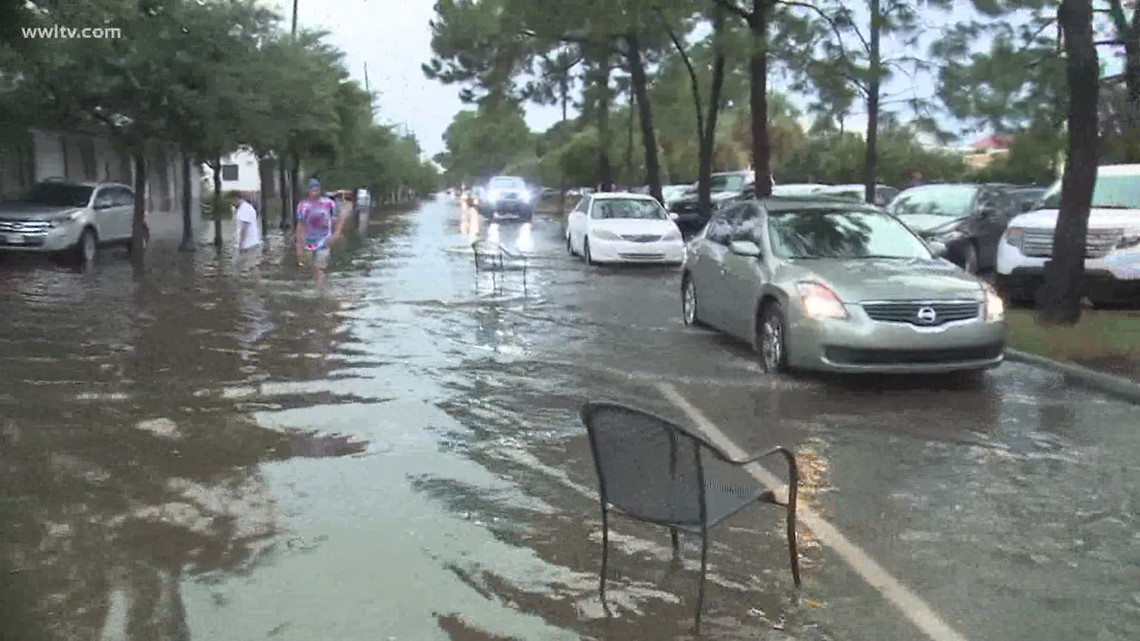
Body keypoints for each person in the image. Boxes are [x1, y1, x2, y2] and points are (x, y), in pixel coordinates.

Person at [295, 178, 345, 289]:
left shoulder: (329, 203)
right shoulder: (303, 206)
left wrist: (336, 234)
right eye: (313, 190)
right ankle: (320, 287)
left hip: (324, 241)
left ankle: (318, 292)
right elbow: (300, 225)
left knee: (320, 268)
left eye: (317, 190)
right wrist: (299, 246)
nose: (315, 193)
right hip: (309, 242)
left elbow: (341, 218)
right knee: (313, 268)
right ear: (308, 191)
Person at [233, 190, 262, 278]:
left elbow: (244, 228)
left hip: (248, 244)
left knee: (250, 266)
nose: (232, 203)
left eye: (232, 201)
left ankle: (257, 285)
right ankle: (252, 285)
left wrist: (241, 244)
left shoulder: (244, 209)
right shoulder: (246, 208)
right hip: (250, 243)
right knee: (246, 266)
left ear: (237, 198)